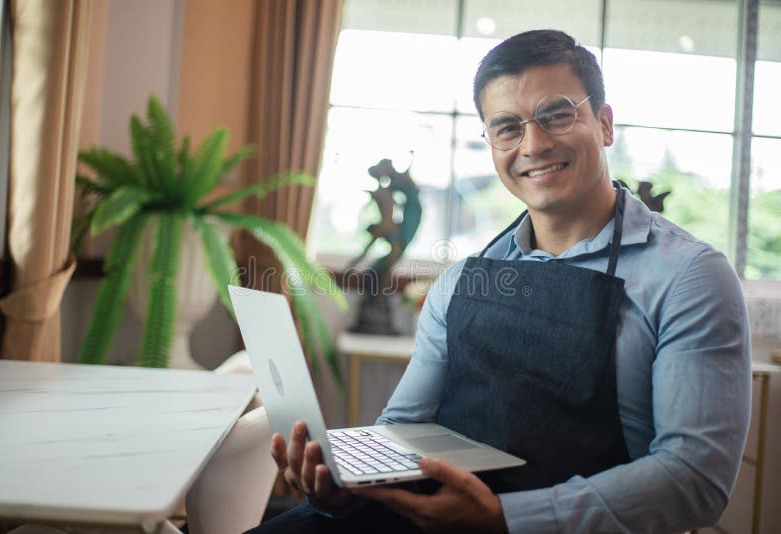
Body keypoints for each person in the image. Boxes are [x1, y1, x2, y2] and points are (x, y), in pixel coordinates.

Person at [249, 29, 751, 533]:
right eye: (507, 127)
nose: (533, 144)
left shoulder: (691, 276)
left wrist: (505, 520)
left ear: (603, 123)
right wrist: (348, 484)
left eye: (557, 114)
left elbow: (696, 479)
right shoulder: (462, 280)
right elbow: (404, 428)